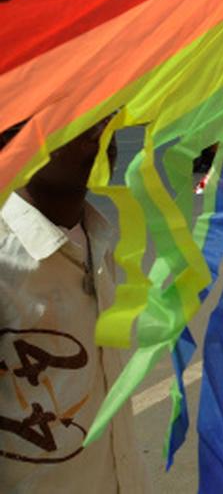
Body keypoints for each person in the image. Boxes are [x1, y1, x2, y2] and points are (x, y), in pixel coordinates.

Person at [0, 120, 145, 493]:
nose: (102, 132)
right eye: (78, 118)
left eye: (107, 114)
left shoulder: (96, 235)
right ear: (16, 137)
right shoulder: (5, 261)